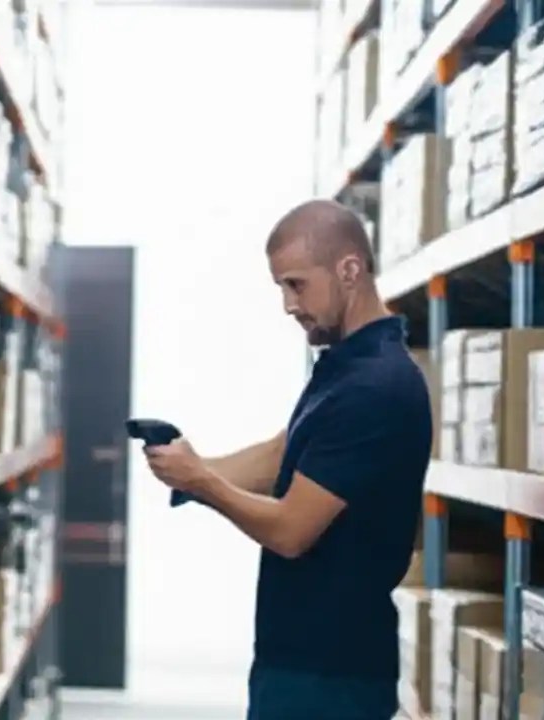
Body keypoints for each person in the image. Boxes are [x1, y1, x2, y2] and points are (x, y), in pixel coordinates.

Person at [143, 199, 432, 719]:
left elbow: (292, 531)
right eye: (280, 287)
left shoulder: (377, 386)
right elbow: (284, 451)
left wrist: (204, 482)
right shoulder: (344, 365)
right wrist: (185, 471)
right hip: (301, 661)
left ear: (349, 270)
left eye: (296, 284)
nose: (287, 304)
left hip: (332, 675)